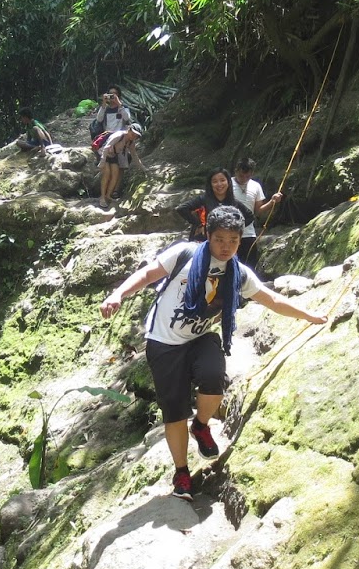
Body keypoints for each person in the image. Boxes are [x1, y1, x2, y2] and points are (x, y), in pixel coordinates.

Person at [99, 205, 327, 500]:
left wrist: (310, 316)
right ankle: (182, 473)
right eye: (220, 239)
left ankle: (202, 426)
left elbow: (270, 299)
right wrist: (117, 294)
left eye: (233, 241)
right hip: (164, 342)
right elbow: (147, 274)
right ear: (208, 236)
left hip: (199, 337)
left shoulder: (238, 274)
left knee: (213, 377)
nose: (226, 247)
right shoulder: (185, 254)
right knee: (174, 411)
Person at [231, 158, 283, 272]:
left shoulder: (256, 186)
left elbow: (258, 211)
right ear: (236, 171)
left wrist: (272, 201)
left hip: (249, 233)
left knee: (249, 268)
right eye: (241, 176)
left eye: (247, 176)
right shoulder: (227, 184)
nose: (244, 179)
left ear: (252, 174)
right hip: (229, 233)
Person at [175, 168, 255, 241]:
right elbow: (182, 208)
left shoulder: (233, 202)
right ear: (210, 184)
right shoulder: (203, 199)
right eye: (215, 181)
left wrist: (235, 228)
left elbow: (250, 216)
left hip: (224, 243)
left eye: (222, 180)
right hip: (202, 241)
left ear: (228, 182)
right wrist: (199, 224)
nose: (219, 184)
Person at [97, 123, 144, 208]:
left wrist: (143, 168)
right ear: (129, 130)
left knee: (115, 175)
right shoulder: (119, 135)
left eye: (136, 136)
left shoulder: (131, 142)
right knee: (107, 174)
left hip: (113, 155)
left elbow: (134, 155)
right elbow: (106, 147)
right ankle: (102, 197)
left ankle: (108, 195)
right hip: (104, 153)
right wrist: (102, 161)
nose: (133, 137)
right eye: (133, 134)